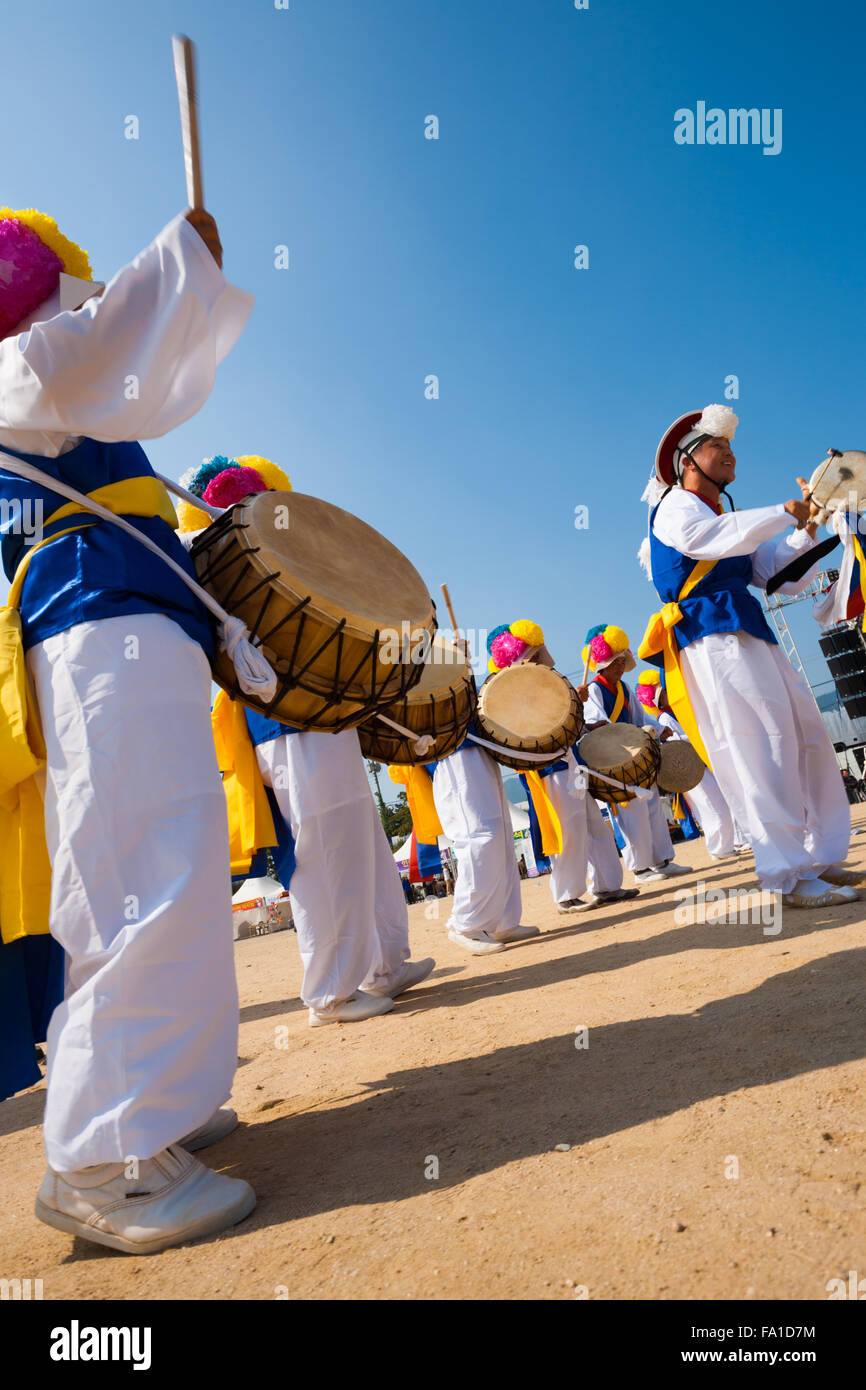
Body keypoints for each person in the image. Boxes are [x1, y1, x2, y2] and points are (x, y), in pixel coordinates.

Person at [0, 205, 256, 1253]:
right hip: (91, 626)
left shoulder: (62, 385)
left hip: (125, 626)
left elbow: (126, 355)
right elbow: (111, 342)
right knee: (136, 871)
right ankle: (104, 1161)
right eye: (73, 291)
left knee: (169, 865)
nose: (91, 303)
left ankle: (154, 1106)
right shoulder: (23, 368)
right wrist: (182, 254)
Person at [185, 456, 435, 1027]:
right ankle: (330, 992)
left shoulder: (260, 549)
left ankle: (384, 965)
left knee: (364, 849)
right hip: (288, 725)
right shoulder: (220, 552)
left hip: (326, 717)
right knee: (327, 856)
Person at [639, 403, 860, 907]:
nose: (730, 454)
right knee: (759, 748)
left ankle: (817, 859)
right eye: (718, 446)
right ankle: (788, 875)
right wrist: (784, 511)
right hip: (713, 639)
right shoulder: (675, 506)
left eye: (731, 447)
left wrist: (809, 525)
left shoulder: (724, 516)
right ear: (686, 462)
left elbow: (774, 573)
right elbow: (706, 540)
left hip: (748, 630)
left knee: (803, 736)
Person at [430, 621, 547, 954]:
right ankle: (466, 924)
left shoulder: (459, 677)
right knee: (481, 837)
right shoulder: (424, 679)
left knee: (500, 836)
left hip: (477, 753)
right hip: (454, 758)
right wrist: (450, 663)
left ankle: (503, 921)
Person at [580, 624, 690, 883]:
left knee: (652, 806)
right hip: (614, 761)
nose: (622, 666)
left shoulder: (625, 688)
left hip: (638, 757)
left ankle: (661, 861)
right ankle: (640, 869)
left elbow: (640, 717)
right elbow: (597, 723)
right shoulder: (595, 689)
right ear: (605, 664)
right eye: (618, 662)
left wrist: (659, 730)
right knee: (630, 814)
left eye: (622, 661)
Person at [635, 669, 741, 861]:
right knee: (711, 805)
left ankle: (725, 845)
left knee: (716, 803)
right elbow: (676, 741)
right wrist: (699, 736)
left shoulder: (675, 713)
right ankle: (719, 847)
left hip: (695, 763)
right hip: (684, 766)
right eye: (664, 692)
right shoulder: (664, 719)